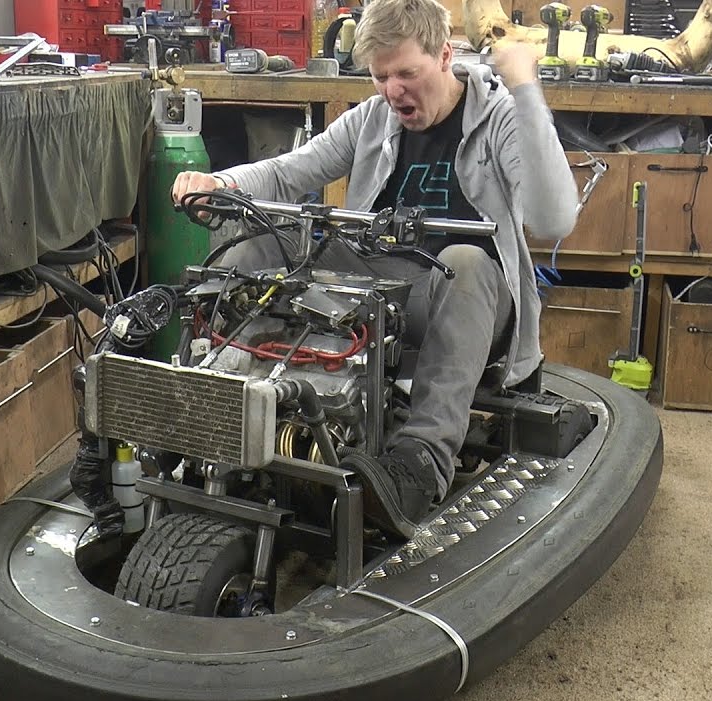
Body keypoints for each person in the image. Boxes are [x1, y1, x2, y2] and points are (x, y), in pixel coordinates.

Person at [170, 0, 579, 536]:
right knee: (259, 247)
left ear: (445, 55)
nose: (393, 91)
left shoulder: (500, 116)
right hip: (378, 286)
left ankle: (419, 464)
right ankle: (226, 411)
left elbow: (554, 220)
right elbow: (290, 170)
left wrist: (527, 92)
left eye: (407, 73)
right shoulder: (372, 117)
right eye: (381, 76)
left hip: (462, 296)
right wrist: (223, 183)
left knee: (464, 261)